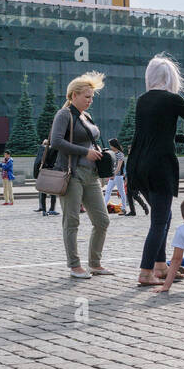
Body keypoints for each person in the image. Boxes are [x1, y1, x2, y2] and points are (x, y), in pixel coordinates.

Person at [127, 54, 184, 287]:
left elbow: (157, 133)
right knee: (159, 221)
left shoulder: (143, 100)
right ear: (171, 77)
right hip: (160, 166)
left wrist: (183, 141)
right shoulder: (174, 99)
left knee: (164, 216)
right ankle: (145, 272)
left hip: (139, 165)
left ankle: (161, 265)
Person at [49, 71, 112, 280]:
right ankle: (75, 266)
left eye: (92, 97)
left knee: (102, 220)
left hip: (91, 175)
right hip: (71, 173)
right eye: (87, 96)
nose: (90, 100)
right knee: (72, 221)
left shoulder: (87, 116)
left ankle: (95, 263)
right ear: (73, 95)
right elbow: (56, 141)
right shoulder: (64, 114)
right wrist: (85, 152)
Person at [33, 138, 58, 216]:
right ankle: (52, 209)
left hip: (43, 172)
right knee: (53, 192)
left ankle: (44, 210)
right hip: (51, 171)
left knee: (43, 192)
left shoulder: (41, 151)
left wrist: (36, 175)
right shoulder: (53, 151)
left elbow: (36, 163)